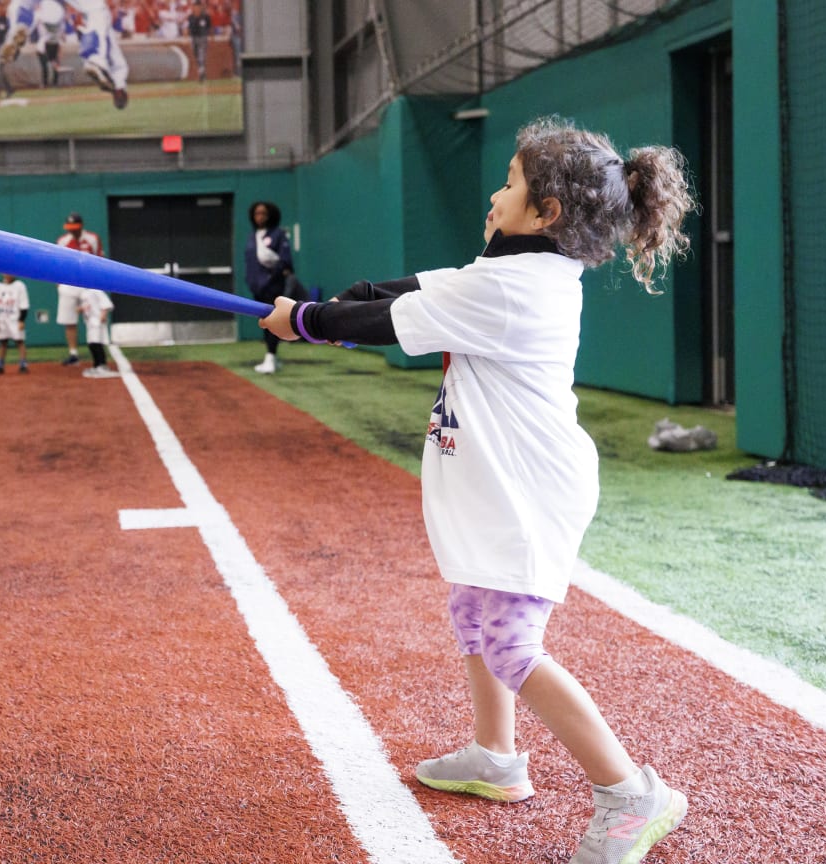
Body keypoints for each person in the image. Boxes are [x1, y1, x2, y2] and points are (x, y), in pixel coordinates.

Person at [259, 116, 694, 864]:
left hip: (530, 493)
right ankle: (495, 757)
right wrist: (327, 314)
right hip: (504, 482)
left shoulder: (516, 288)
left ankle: (629, 793)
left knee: (512, 644)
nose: (496, 195)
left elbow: (387, 319)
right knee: (472, 611)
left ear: (546, 214)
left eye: (510, 183)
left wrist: (306, 320)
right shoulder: (505, 275)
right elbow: (396, 291)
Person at [4, 0, 131, 108]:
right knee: (97, 11)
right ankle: (95, 57)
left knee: (26, 6)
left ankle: (18, 25)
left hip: (51, 13)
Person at [243, 200, 293, 374]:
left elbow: (285, 262)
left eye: (263, 213)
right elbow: (250, 262)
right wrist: (250, 281)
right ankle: (271, 357)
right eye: (257, 213)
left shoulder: (278, 235)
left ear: (270, 215)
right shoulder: (252, 236)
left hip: (273, 287)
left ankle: (271, 356)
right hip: (257, 287)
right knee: (265, 322)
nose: (260, 217)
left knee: (273, 321)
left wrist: (271, 278)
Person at [53, 212, 103, 366]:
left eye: (74, 227)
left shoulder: (92, 239)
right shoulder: (63, 241)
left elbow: (100, 260)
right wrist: (59, 284)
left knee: (93, 318)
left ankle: (97, 352)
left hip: (88, 284)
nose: (72, 230)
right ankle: (73, 354)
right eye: (69, 227)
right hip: (68, 284)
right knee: (69, 320)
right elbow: (57, 264)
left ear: (81, 225)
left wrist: (97, 284)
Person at [0, 273, 30, 374]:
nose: (8, 274)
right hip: (2, 318)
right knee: (2, 342)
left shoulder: (20, 285)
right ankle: (0, 365)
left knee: (19, 341)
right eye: (5, 272)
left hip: (15, 319)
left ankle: (23, 365)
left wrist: (21, 320)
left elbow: (24, 305)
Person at [78, 287, 119, 378]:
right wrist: (81, 309)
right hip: (89, 321)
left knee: (97, 343)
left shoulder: (97, 291)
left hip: (97, 320)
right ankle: (96, 366)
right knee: (91, 344)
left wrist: (103, 315)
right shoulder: (83, 293)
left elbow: (106, 304)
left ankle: (102, 366)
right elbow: (85, 306)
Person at [186, 2, 211, 82]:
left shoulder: (205, 17)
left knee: (201, 55)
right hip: (194, 38)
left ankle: (201, 74)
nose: (196, 9)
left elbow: (209, 27)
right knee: (196, 55)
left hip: (202, 38)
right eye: (195, 7)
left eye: (197, 7)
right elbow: (189, 28)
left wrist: (210, 37)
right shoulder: (191, 17)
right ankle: (202, 71)